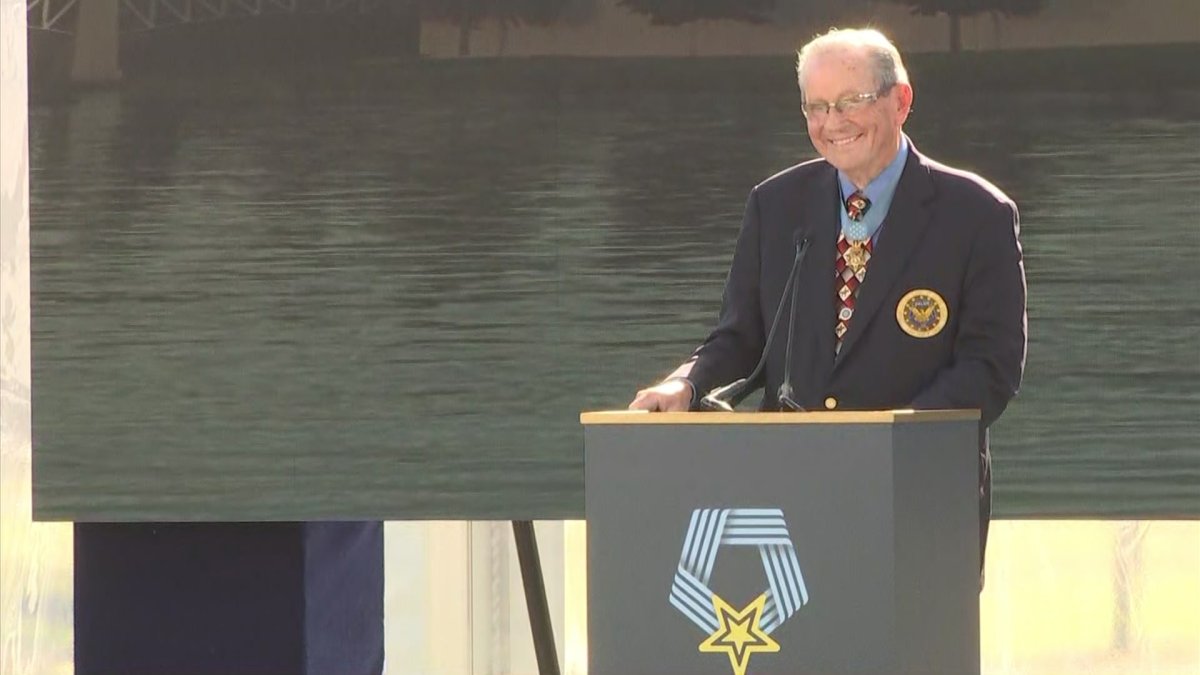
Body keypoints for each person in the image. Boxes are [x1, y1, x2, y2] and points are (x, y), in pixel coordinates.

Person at [627, 27, 1027, 574]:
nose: (831, 122)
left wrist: (888, 436)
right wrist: (686, 383)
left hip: (919, 496)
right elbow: (741, 338)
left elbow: (991, 370)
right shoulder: (776, 204)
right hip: (788, 495)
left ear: (900, 101)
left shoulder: (977, 214)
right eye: (815, 107)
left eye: (850, 102)